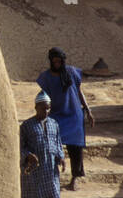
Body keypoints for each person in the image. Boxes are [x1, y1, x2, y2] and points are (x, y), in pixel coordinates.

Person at [36, 48, 94, 189]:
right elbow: (44, 97)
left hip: (74, 114)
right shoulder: (46, 77)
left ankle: (76, 178)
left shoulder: (72, 72)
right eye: (54, 61)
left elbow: (79, 91)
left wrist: (88, 110)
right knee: (52, 145)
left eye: (59, 61)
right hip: (56, 115)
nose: (56, 63)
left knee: (76, 148)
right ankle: (52, 176)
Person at [19, 91, 65, 198]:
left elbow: (58, 143)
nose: (46, 111)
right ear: (36, 107)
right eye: (43, 108)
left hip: (50, 168)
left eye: (48, 108)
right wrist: (28, 156)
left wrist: (61, 157)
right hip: (34, 170)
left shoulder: (54, 124)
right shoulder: (26, 126)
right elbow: (20, 146)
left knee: (54, 196)